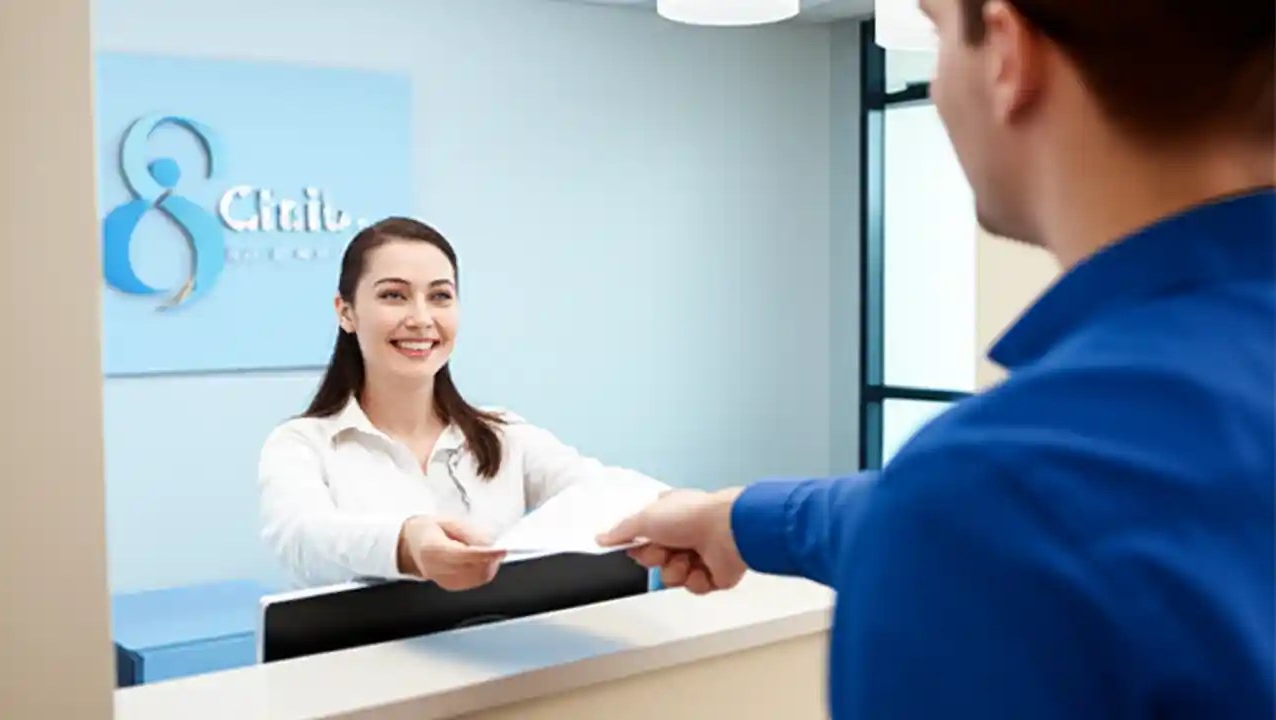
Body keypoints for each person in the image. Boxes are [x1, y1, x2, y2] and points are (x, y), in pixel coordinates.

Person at [599, 0, 1275, 718]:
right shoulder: (1060, 480)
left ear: (1008, 55)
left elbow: (999, 518)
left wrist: (931, 511)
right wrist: (740, 518)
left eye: (936, 30)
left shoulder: (994, 495)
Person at [259, 217, 666, 590]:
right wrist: (408, 543)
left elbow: (605, 487)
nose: (421, 318)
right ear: (346, 312)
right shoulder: (300, 443)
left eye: (440, 296)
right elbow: (303, 541)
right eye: (394, 295)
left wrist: (694, 514)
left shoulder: (503, 435)